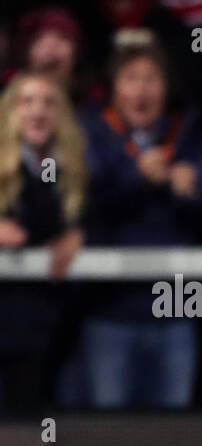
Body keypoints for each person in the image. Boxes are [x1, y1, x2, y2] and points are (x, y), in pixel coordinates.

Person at [80, 38, 202, 408]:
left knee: (170, 436)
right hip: (108, 312)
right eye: (131, 78)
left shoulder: (190, 137)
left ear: (167, 88)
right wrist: (137, 180)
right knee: (107, 432)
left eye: (151, 79)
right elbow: (80, 209)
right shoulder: (91, 132)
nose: (141, 90)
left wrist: (190, 191)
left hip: (176, 313)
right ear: (114, 88)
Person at [0, 70, 86, 413]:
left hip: (47, 326)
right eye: (27, 102)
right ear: (11, 112)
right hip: (4, 319)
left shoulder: (70, 169)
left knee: (34, 437)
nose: (38, 111)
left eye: (49, 103)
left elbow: (98, 216)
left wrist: (79, 234)